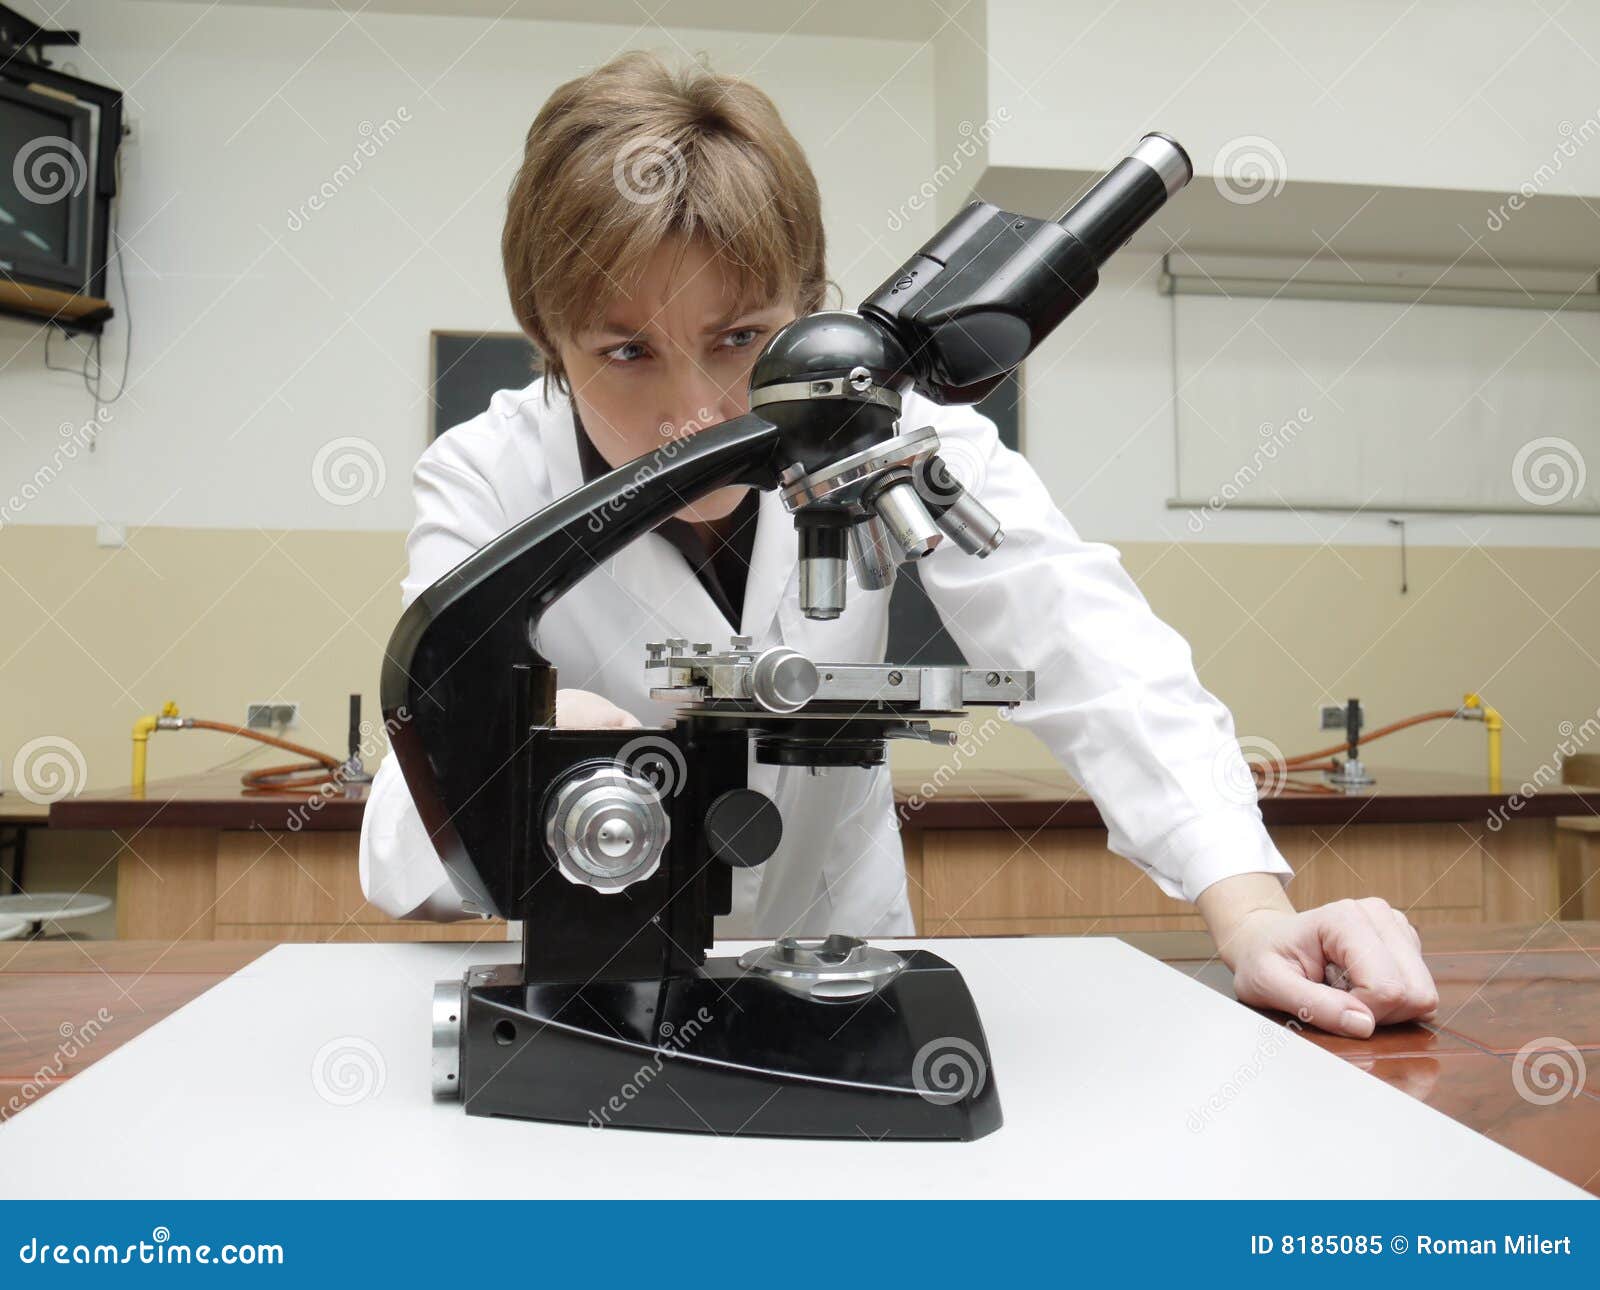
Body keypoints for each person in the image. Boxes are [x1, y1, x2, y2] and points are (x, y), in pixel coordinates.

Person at [359, 51, 1438, 1039]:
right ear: (548, 341)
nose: (695, 412)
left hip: (842, 966)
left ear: (810, 308)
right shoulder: (489, 475)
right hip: (602, 988)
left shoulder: (892, 435)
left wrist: (1251, 910)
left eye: (740, 339)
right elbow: (417, 800)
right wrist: (537, 749)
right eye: (627, 352)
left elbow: (1086, 642)